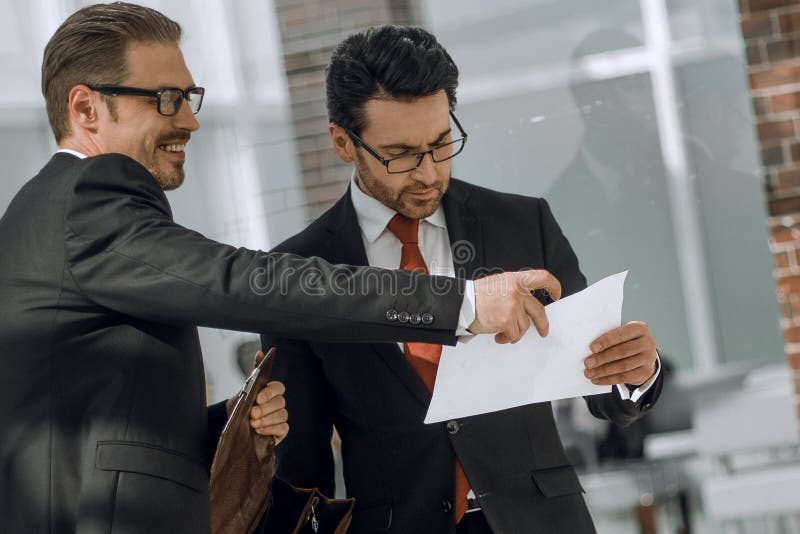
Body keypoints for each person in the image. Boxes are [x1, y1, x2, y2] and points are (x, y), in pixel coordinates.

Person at [0, 4, 561, 533]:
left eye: (190, 96)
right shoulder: (87, 197)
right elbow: (241, 281)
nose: (191, 120)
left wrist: (227, 423)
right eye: (167, 98)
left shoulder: (61, 212)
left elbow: (98, 423)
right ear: (85, 108)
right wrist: (461, 304)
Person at [263, 25, 664, 534]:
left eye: (441, 142)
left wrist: (635, 372)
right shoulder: (300, 270)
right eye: (402, 154)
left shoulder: (522, 225)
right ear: (343, 141)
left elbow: (601, 386)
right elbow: (303, 470)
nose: (429, 172)